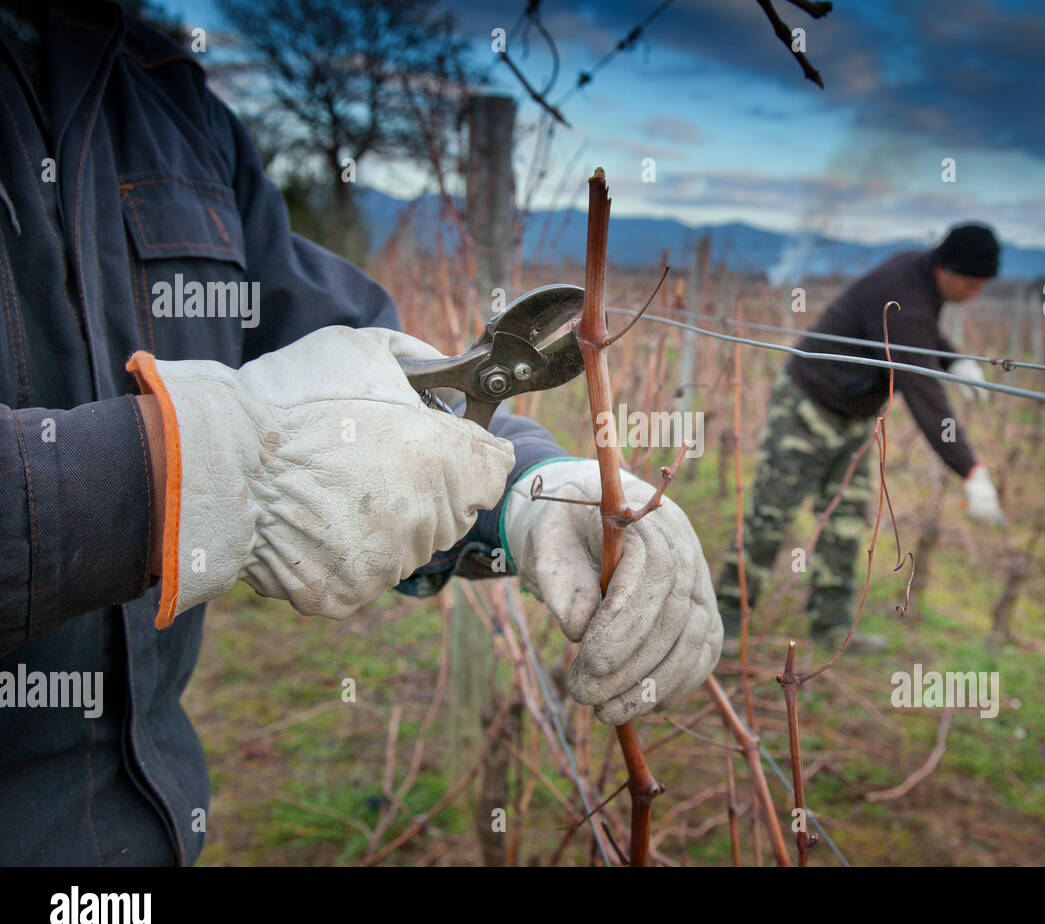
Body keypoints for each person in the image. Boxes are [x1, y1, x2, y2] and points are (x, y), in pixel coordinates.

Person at [0, 0, 721, 865]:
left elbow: (336, 349)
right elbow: (260, 436)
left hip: (146, 830)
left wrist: (531, 488)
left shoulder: (169, 101)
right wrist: (183, 474)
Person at [715, 223, 1006, 649]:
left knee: (845, 526)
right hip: (807, 407)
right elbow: (923, 392)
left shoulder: (919, 276)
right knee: (769, 518)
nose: (977, 294)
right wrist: (972, 470)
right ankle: (724, 622)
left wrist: (955, 360)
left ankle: (831, 629)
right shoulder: (903, 292)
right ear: (947, 269)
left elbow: (919, 334)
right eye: (973, 283)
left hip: (854, 419)